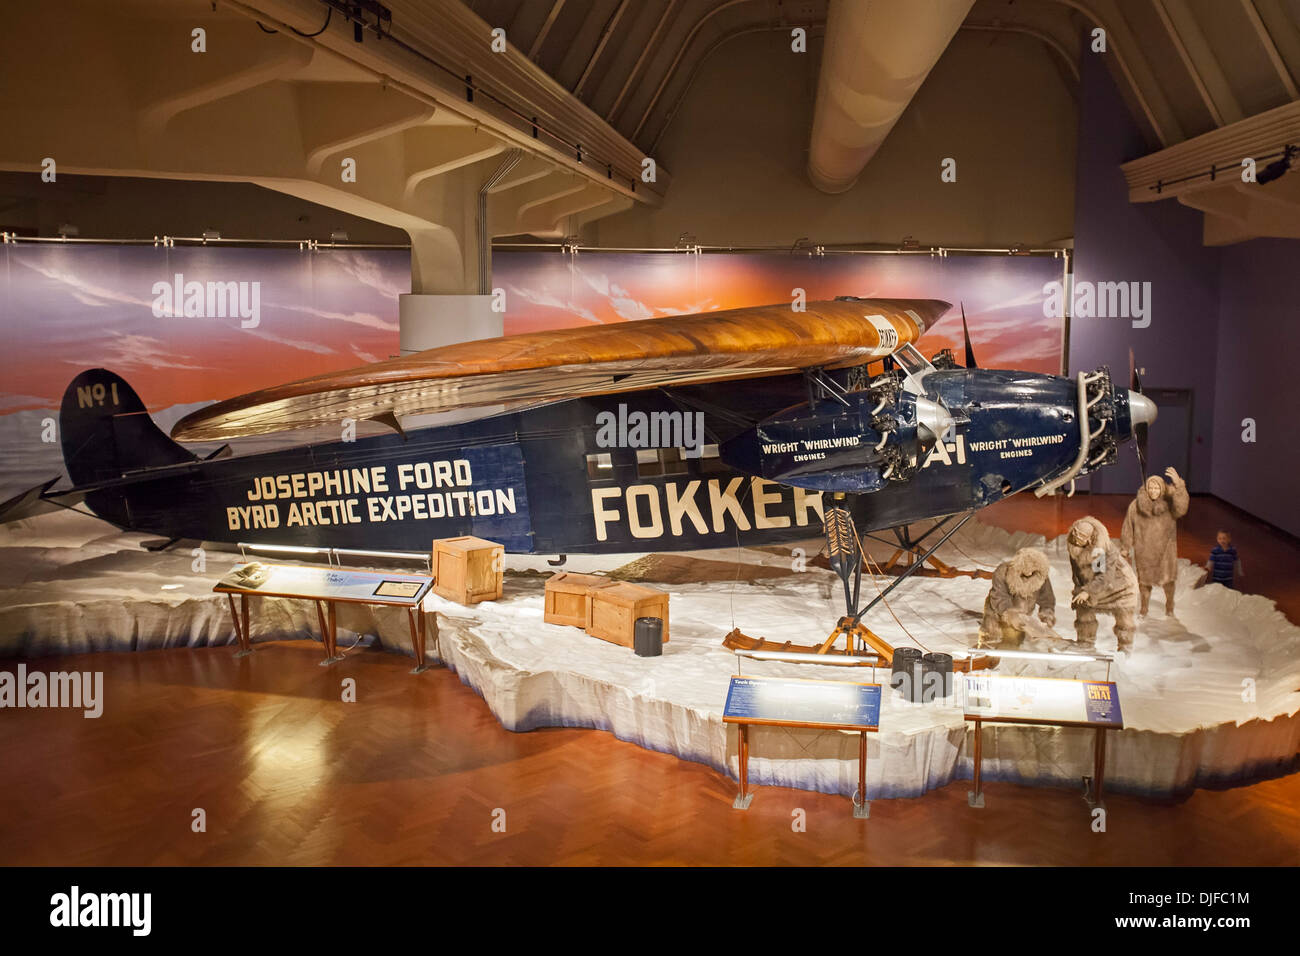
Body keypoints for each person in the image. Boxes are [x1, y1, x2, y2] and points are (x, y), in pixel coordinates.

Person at [1120, 466, 1189, 616]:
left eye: (1156, 487)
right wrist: (1125, 547)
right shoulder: (1137, 505)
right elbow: (1128, 526)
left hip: (1165, 551)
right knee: (1144, 581)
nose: (1153, 490)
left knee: (1168, 580)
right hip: (1144, 550)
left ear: (1162, 488)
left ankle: (1169, 606)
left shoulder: (1170, 504)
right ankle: (1144, 608)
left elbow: (1182, 507)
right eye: (1150, 487)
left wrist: (1179, 485)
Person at [1067, 516, 1139, 653]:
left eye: (1080, 536)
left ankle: (1125, 650)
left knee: (1124, 620)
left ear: (1090, 538)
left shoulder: (1101, 550)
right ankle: (1085, 644)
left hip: (1120, 587)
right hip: (1093, 585)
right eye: (1075, 533)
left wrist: (1087, 591)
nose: (1075, 538)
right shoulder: (1074, 545)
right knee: (1083, 607)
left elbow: (1104, 576)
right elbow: (1077, 573)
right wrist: (1079, 590)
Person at [978, 548, 1057, 648]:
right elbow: (999, 596)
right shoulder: (1003, 571)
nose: (1028, 573)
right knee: (991, 642)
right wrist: (1012, 615)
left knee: (1013, 643)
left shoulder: (1041, 576)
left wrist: (1046, 618)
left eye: (1033, 570)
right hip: (997, 611)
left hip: (1022, 618)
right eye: (1026, 569)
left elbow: (1047, 600)